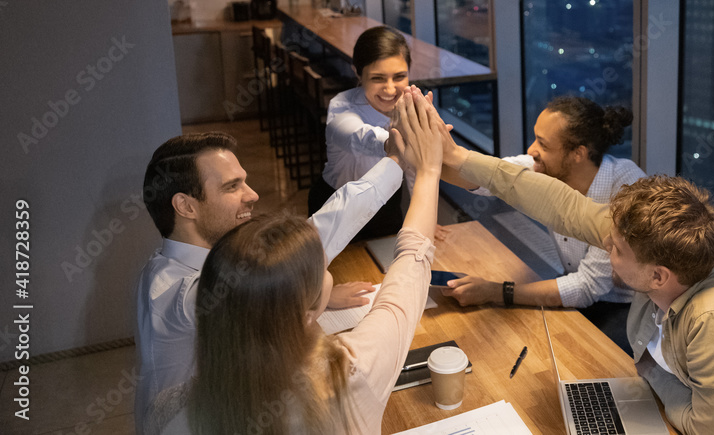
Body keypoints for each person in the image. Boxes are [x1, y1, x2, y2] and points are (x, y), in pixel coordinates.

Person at [436, 136, 714, 434]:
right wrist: (457, 156)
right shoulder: (671, 244)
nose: (603, 246)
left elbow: (712, 432)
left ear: (657, 277)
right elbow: (563, 206)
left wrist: (653, 373)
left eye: (614, 249)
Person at [145, 87, 443, 435]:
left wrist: (395, 163)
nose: (253, 194)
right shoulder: (347, 374)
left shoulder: (174, 403)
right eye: (232, 186)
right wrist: (428, 168)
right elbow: (408, 264)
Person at [442, 96, 644, 353]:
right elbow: (484, 178)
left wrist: (495, 291)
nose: (530, 150)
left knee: (587, 364)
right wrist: (432, 152)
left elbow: (587, 286)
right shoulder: (543, 164)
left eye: (543, 144)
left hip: (623, 305)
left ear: (578, 154)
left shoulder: (627, 191)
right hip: (572, 280)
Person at [308, 26, 413, 240]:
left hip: (387, 205)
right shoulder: (341, 106)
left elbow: (414, 171)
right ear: (357, 72)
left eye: (399, 76)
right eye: (378, 78)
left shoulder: (411, 106)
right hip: (337, 206)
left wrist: (421, 218)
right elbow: (358, 137)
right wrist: (395, 143)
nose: (391, 89)